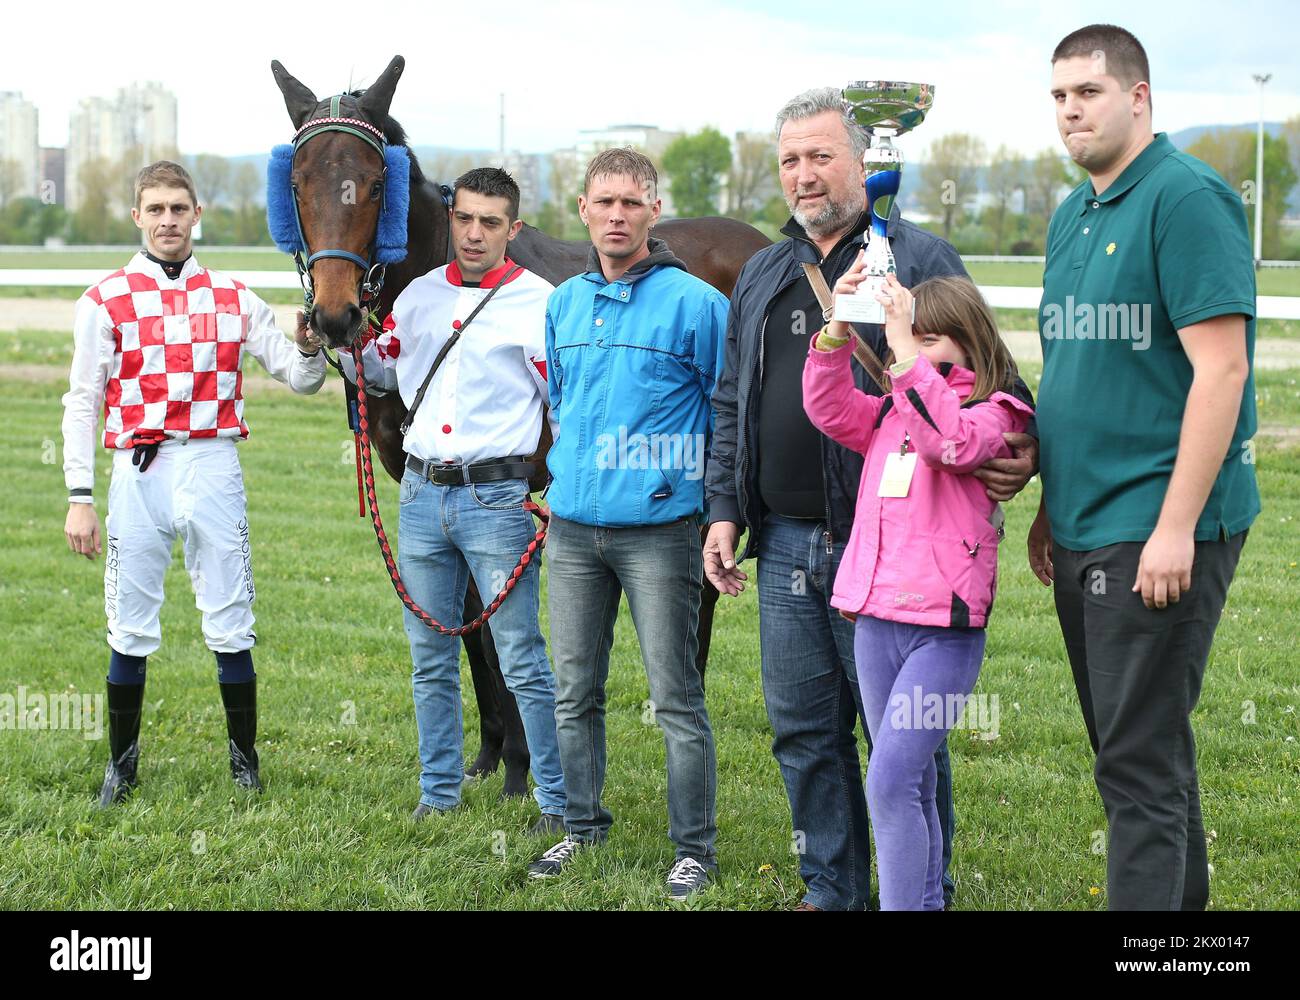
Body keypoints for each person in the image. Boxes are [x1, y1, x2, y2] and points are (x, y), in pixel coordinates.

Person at [704, 87, 1039, 911]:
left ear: (865, 163)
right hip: (783, 542)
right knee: (804, 735)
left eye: (821, 155)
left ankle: (923, 892)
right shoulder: (765, 270)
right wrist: (723, 508)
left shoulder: (920, 258)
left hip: (896, 556)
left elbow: (995, 382)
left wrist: (1022, 455)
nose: (804, 174)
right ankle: (831, 891)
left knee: (902, 749)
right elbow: (729, 401)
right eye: (790, 159)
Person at [1030, 25, 1259, 910]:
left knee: (1134, 761)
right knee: (1141, 748)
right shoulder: (1072, 211)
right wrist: (1052, 503)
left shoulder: (1188, 197)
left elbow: (1224, 370)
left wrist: (1173, 528)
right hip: (1086, 519)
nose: (1070, 111)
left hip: (1160, 526)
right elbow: (1076, 369)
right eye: (1057, 96)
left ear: (1139, 96)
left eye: (1087, 91)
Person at [61, 160, 327, 806]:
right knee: (128, 621)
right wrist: (79, 498)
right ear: (137, 217)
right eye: (155, 209)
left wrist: (313, 345)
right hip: (138, 471)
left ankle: (245, 763)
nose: (168, 221)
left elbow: (301, 377)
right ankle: (121, 768)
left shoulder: (236, 297)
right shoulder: (104, 300)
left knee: (231, 618)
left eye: (178, 208)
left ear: (197, 213)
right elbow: (81, 400)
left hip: (212, 464)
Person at [527, 148, 727, 900]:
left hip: (660, 531)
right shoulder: (563, 304)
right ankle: (581, 828)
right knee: (574, 691)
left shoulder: (698, 304)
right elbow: (562, 401)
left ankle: (694, 850)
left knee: (676, 697)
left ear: (653, 210)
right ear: (583, 209)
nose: (616, 215)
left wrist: (710, 508)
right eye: (603, 202)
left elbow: (723, 413)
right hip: (572, 531)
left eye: (631, 203)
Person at [341, 167, 565, 832]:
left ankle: (555, 800)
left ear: (512, 229)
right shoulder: (417, 297)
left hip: (497, 499)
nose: (474, 233)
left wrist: (563, 489)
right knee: (428, 656)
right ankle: (437, 790)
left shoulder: (541, 302)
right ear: (451, 220)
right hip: (420, 494)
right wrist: (334, 339)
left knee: (521, 653)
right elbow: (377, 368)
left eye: (490, 222)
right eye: (464, 219)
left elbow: (568, 406)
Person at [804, 267, 1033, 909]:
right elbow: (826, 408)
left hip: (943, 632)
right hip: (876, 620)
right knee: (912, 783)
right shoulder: (890, 409)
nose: (916, 348)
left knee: (891, 782)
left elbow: (949, 444)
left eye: (933, 340)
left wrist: (903, 347)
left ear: (971, 341)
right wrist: (836, 335)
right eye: (913, 336)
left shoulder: (996, 411)